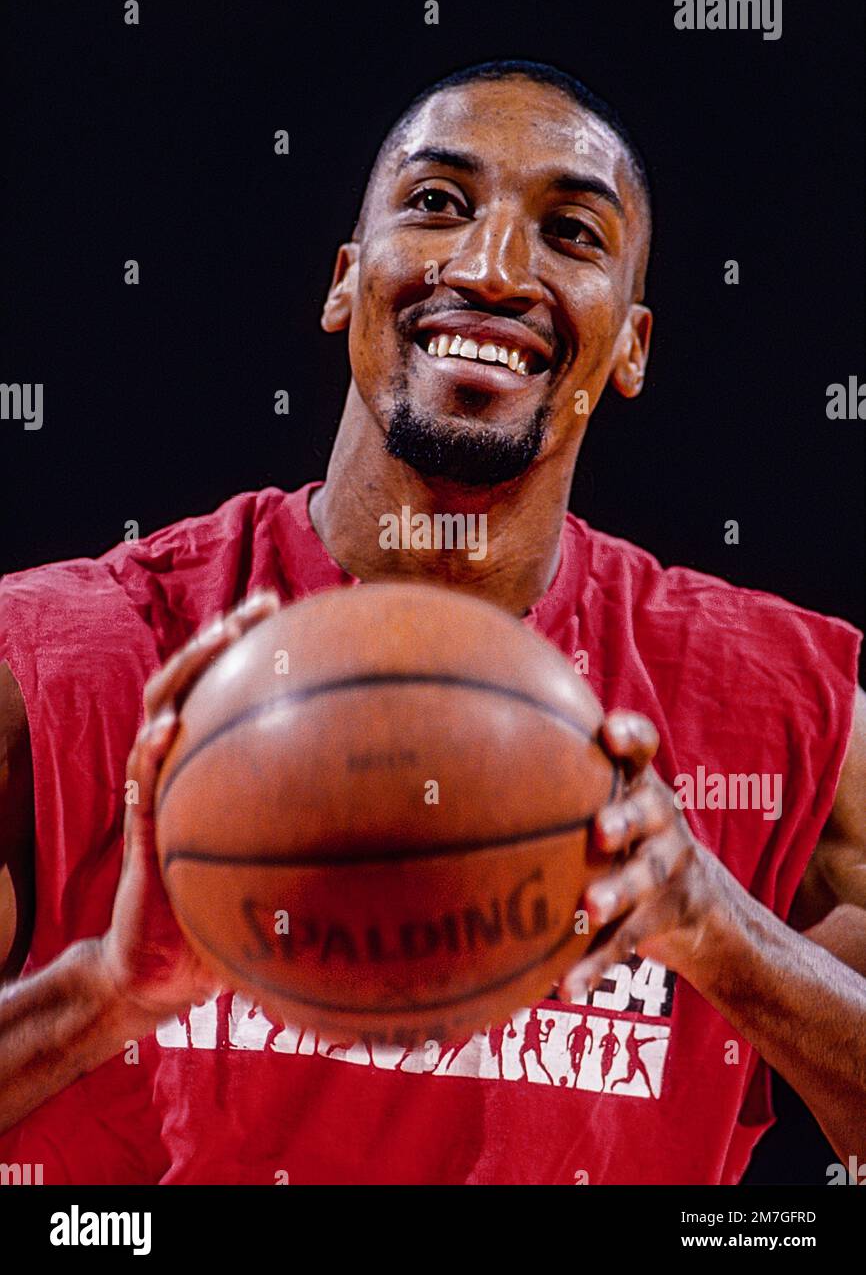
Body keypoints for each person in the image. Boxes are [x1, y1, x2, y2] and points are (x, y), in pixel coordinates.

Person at [1, 61, 864, 1186]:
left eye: (570, 232)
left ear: (634, 345)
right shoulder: (64, 663)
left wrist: (710, 923)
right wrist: (106, 992)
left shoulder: (781, 707)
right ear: (345, 282)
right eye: (437, 204)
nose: (494, 268)